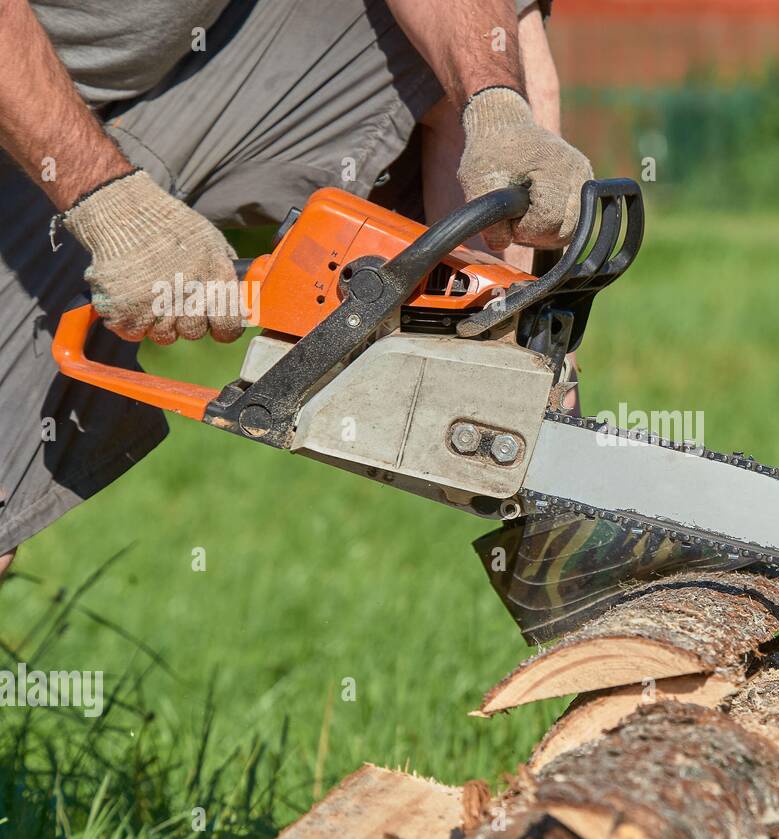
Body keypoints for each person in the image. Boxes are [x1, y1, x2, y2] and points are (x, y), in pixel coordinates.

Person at [0, 0, 592, 577]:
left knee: (505, 31)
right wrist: (109, 205)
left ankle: (519, 421)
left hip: (202, 59)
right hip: (22, 100)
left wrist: (496, 109)